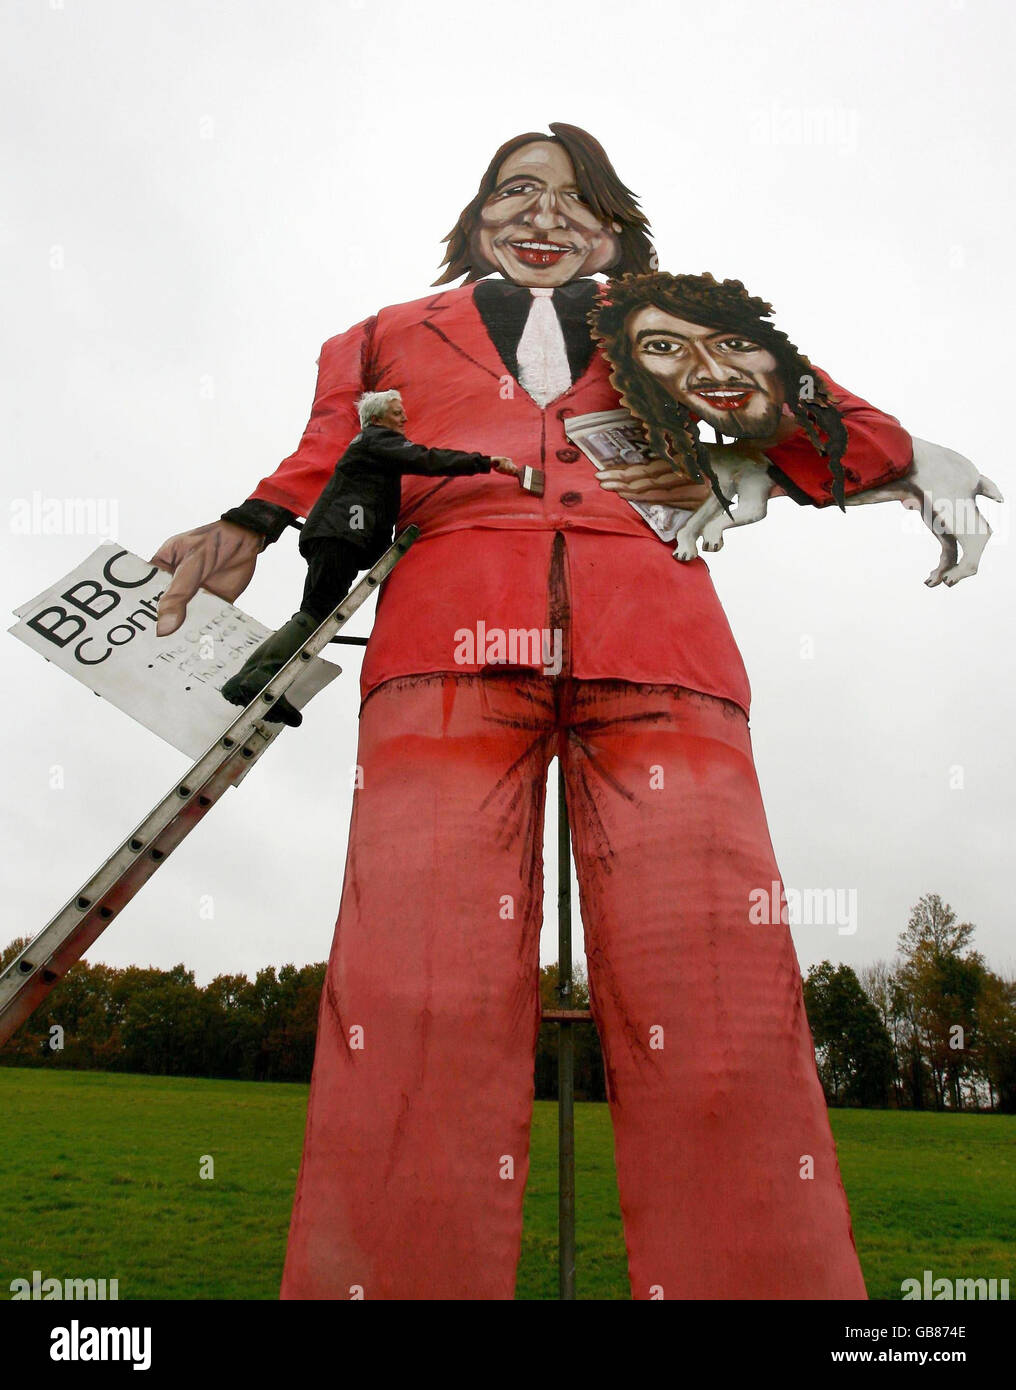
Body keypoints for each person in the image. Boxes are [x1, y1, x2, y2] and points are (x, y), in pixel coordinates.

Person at [151, 123, 914, 1300]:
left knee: (718, 987)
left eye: (575, 200)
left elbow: (816, 427)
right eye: (516, 191)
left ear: (614, 230)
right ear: (476, 217)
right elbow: (324, 455)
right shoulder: (377, 336)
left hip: (661, 645)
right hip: (443, 647)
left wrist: (899, 456)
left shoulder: (662, 323)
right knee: (415, 982)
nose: (543, 215)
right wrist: (243, 525)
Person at [218, 388, 517, 723]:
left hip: (332, 532)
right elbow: (425, 458)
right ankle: (262, 679)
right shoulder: (378, 440)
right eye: (396, 411)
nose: (404, 417)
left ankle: (245, 679)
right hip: (343, 533)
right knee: (316, 613)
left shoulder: (367, 445)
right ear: (376, 418)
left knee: (311, 612)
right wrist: (484, 462)